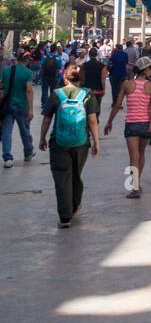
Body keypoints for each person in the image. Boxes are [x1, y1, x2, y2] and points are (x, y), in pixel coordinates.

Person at [39, 58, 100, 228]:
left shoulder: (57, 94)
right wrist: (96, 142)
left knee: (62, 176)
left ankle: (65, 217)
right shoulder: (87, 94)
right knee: (75, 174)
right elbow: (93, 121)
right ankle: (74, 205)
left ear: (65, 78)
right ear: (80, 79)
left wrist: (42, 138)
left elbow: (46, 119)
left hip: (59, 142)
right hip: (81, 142)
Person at [105, 57, 151, 199]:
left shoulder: (127, 85)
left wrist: (109, 122)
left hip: (131, 125)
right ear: (145, 70)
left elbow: (117, 105)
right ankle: (137, 183)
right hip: (145, 125)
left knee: (133, 157)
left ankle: (134, 188)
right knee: (141, 154)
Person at [1, 49, 35, 168]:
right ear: (26, 60)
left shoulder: (6, 71)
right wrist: (31, 109)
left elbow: (1, 86)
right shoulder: (28, 73)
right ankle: (28, 152)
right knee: (24, 130)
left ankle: (7, 157)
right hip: (22, 105)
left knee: (6, 131)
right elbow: (29, 90)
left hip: (7, 105)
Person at [81, 46, 108, 118]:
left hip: (86, 90)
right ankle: (95, 120)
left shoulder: (84, 65)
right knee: (97, 107)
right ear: (96, 55)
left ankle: (88, 121)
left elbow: (82, 78)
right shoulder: (102, 66)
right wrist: (103, 89)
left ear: (89, 55)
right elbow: (103, 80)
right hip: (98, 90)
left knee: (87, 106)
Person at [40, 45, 63, 111]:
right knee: (53, 91)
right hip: (54, 77)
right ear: (56, 50)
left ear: (50, 49)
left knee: (44, 90)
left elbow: (41, 64)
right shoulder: (57, 57)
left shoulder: (45, 57)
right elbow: (59, 67)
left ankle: (44, 104)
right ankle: (52, 103)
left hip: (45, 76)